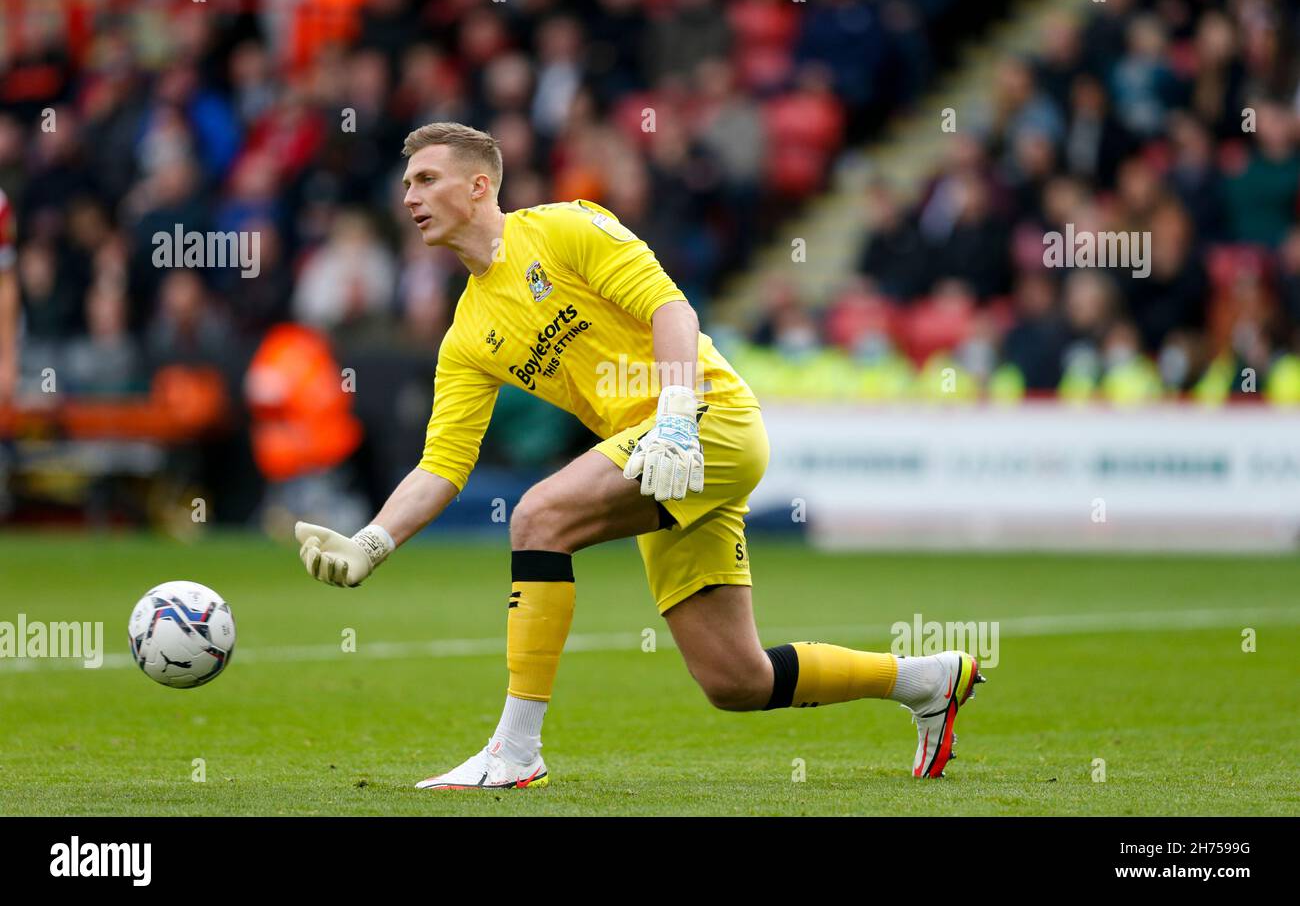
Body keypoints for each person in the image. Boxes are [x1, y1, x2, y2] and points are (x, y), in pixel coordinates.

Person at [293, 122, 984, 789]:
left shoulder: (565, 227)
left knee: (538, 517)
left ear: (480, 186)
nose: (408, 197)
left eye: (425, 179)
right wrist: (371, 544)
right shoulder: (467, 334)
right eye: (406, 183)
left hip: (707, 421)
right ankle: (926, 681)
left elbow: (672, 310)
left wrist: (677, 419)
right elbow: (442, 466)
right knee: (735, 680)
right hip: (652, 461)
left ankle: (515, 752)